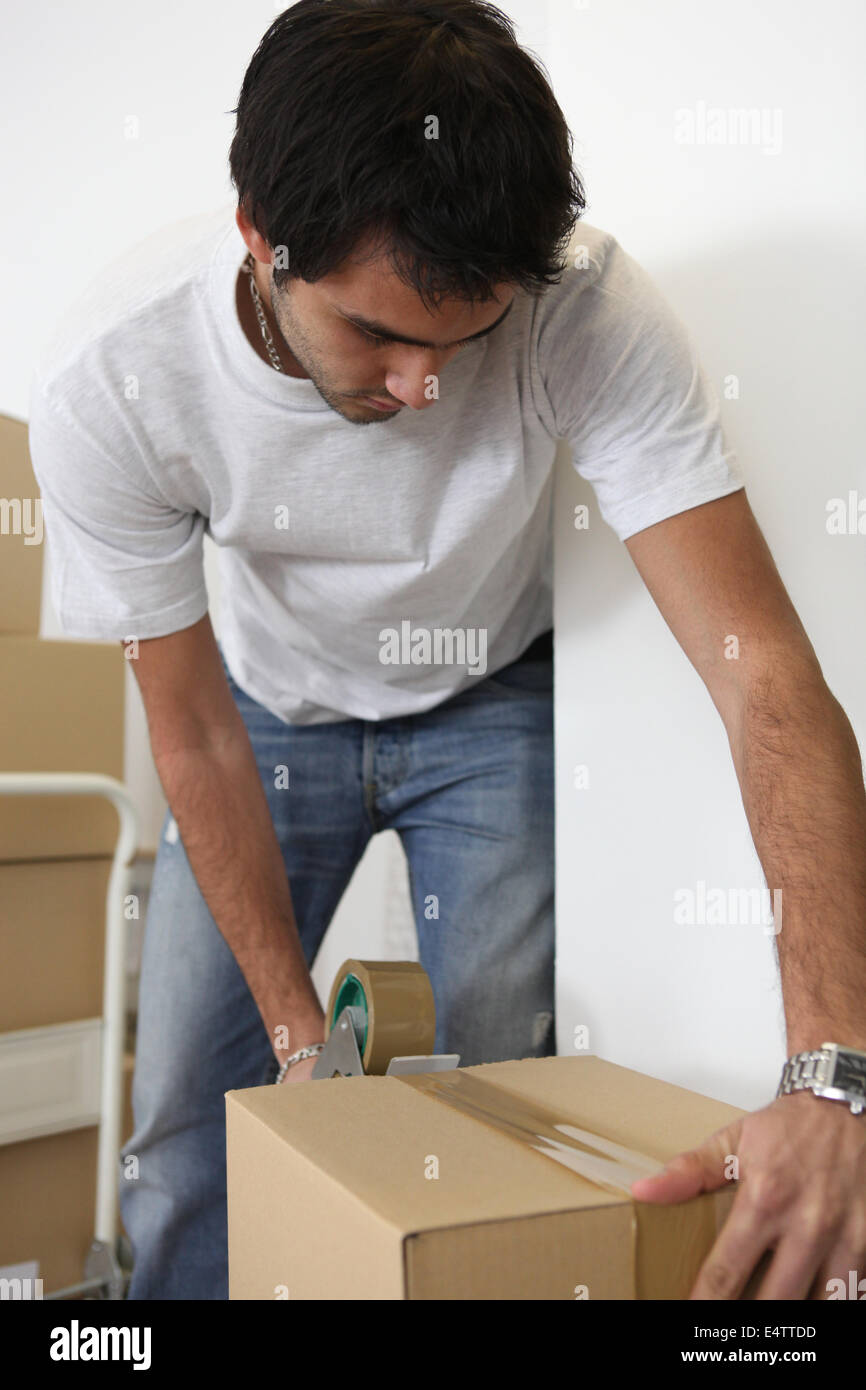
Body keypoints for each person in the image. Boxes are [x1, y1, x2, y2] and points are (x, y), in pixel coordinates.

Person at [28, 0, 866, 1303]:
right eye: (379, 335)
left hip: (489, 702)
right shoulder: (113, 379)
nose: (426, 388)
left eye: (460, 340)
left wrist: (835, 1075)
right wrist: (299, 1037)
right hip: (259, 716)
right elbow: (186, 731)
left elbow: (763, 673)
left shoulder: (583, 307)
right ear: (260, 235)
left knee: (513, 1097)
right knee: (197, 1109)